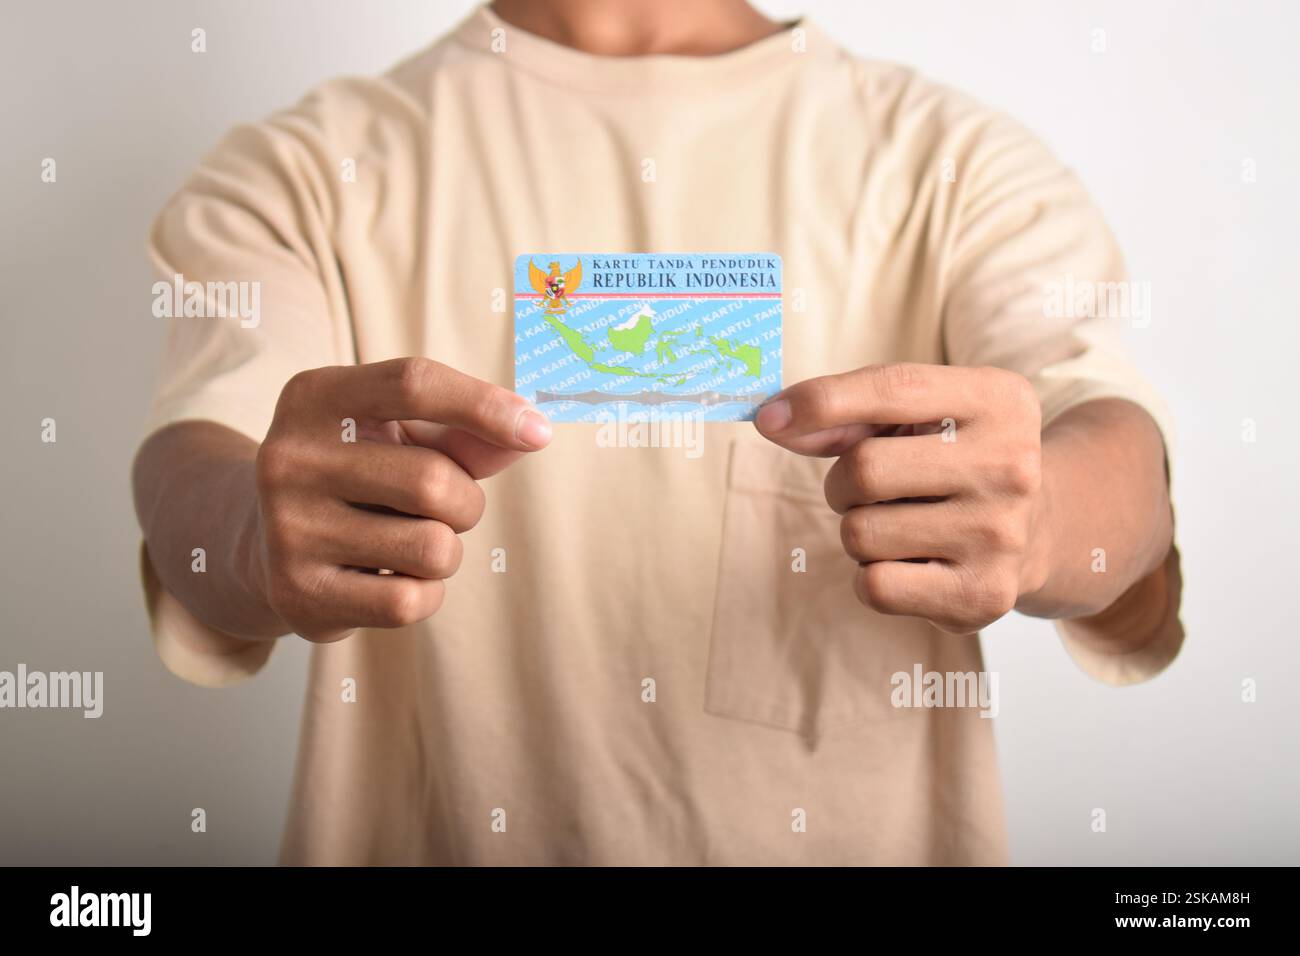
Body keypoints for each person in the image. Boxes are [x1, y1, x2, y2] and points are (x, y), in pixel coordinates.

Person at [132, 0, 1183, 865]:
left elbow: (1114, 463)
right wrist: (246, 535)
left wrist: (1045, 517)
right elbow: (203, 457)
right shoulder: (300, 176)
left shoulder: (956, 167)